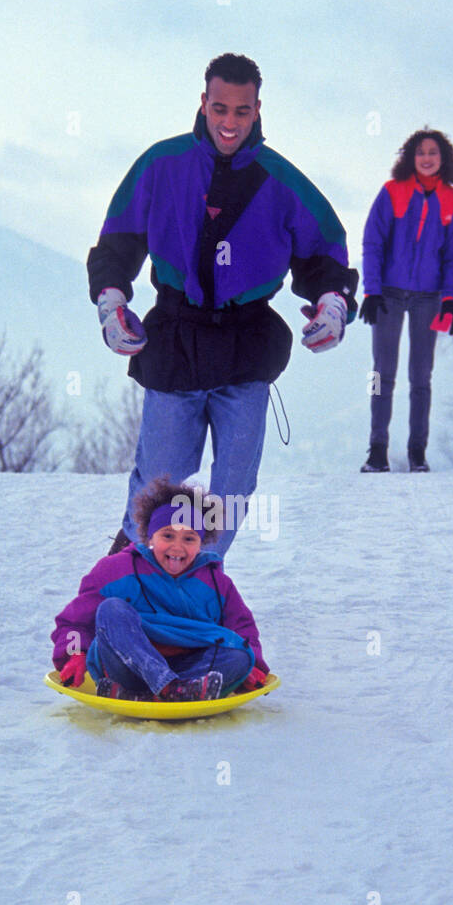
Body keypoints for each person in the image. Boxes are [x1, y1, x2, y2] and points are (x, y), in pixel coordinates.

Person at [87, 52, 359, 554]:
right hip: (175, 335)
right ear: (203, 103)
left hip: (246, 343)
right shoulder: (161, 164)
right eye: (219, 109)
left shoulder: (282, 181)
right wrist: (111, 303)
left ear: (257, 109)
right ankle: (128, 571)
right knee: (160, 477)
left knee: (232, 486)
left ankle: (203, 575)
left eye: (241, 110)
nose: (228, 122)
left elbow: (324, 254)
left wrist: (333, 304)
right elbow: (117, 243)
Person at [51, 477, 269, 702]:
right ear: (150, 536)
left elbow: (243, 630)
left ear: (201, 542)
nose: (177, 546)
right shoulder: (116, 569)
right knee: (111, 610)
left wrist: (252, 664)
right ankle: (168, 688)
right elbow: (75, 622)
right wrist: (75, 653)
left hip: (192, 670)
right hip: (129, 667)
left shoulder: (217, 583)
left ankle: (146, 695)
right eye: (168, 535)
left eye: (189, 538)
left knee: (240, 655)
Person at [359, 128, 453, 472]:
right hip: (389, 293)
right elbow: (372, 243)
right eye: (420, 152)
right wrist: (371, 291)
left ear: (443, 158)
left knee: (421, 377)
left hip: (429, 298)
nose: (426, 157)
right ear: (410, 157)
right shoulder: (393, 192)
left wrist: (450, 301)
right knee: (383, 373)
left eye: (433, 152)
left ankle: (417, 452)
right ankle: (378, 450)